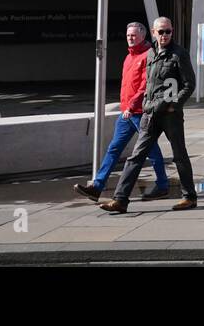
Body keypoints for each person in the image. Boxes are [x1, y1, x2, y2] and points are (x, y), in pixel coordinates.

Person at [100, 17, 197, 212]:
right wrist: (145, 103)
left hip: (171, 115)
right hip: (150, 114)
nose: (164, 35)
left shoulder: (179, 54)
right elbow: (149, 85)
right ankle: (120, 200)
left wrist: (174, 104)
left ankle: (189, 197)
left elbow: (189, 84)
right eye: (160, 32)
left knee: (180, 155)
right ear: (154, 33)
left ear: (172, 31)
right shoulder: (151, 53)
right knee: (136, 157)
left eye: (167, 31)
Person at [73, 22, 170, 202]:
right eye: (128, 35)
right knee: (114, 149)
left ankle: (163, 185)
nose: (130, 38)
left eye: (133, 35)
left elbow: (145, 86)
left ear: (142, 36)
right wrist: (126, 107)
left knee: (151, 149)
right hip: (127, 113)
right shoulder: (129, 57)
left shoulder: (148, 55)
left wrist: (132, 106)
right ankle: (97, 186)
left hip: (140, 112)